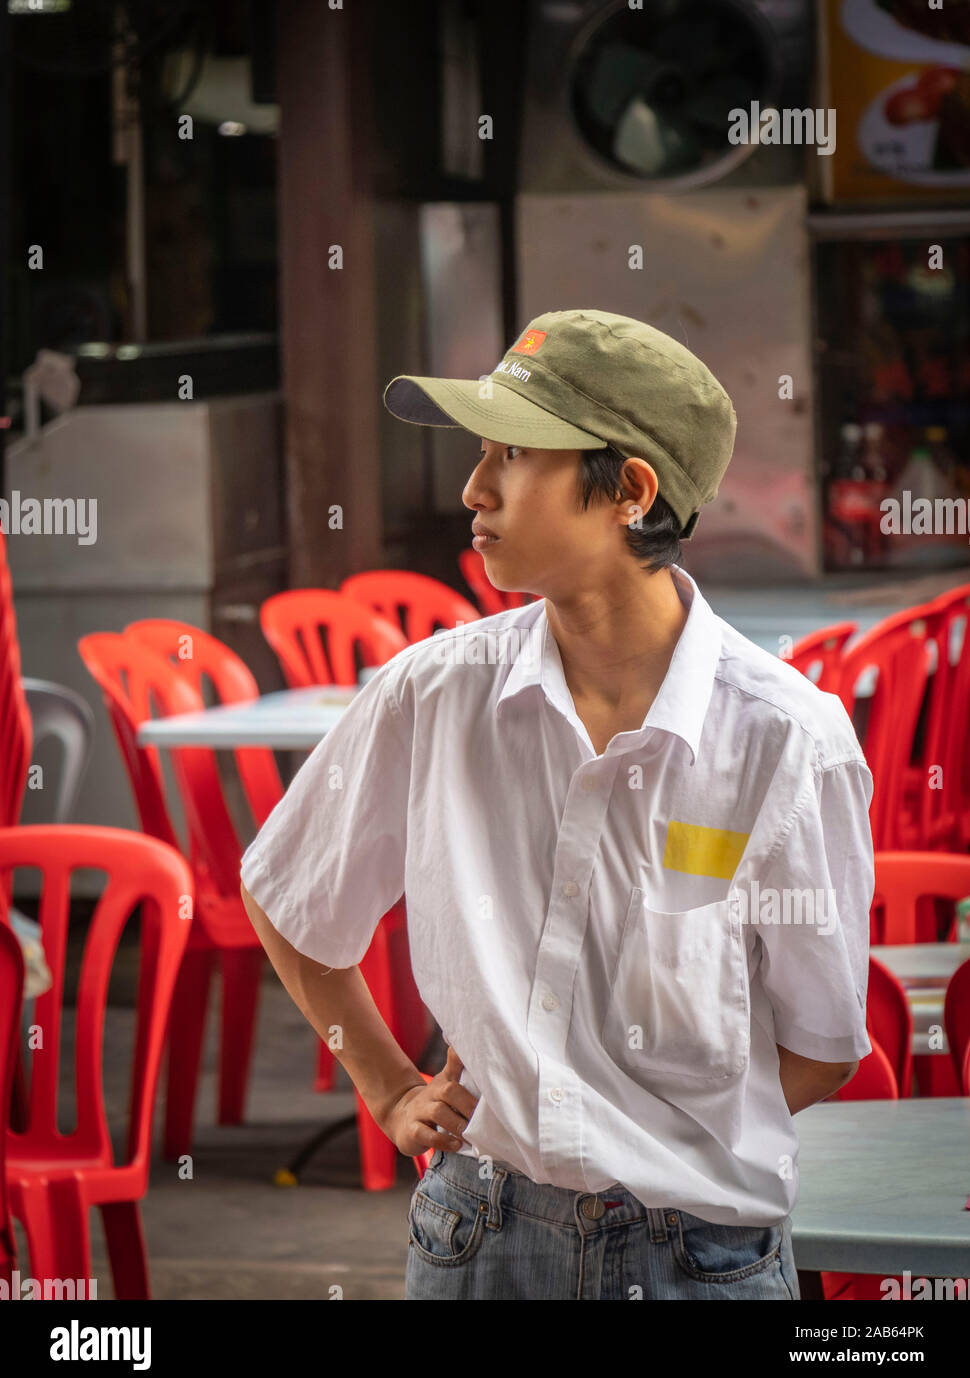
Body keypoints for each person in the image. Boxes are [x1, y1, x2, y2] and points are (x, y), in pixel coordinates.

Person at [240, 308, 874, 1301]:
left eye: (510, 455)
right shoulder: (430, 694)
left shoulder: (783, 739)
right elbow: (288, 893)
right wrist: (385, 1083)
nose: (471, 489)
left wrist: (642, 1138)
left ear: (628, 489)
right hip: (476, 1235)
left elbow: (818, 1043)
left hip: (702, 1256)